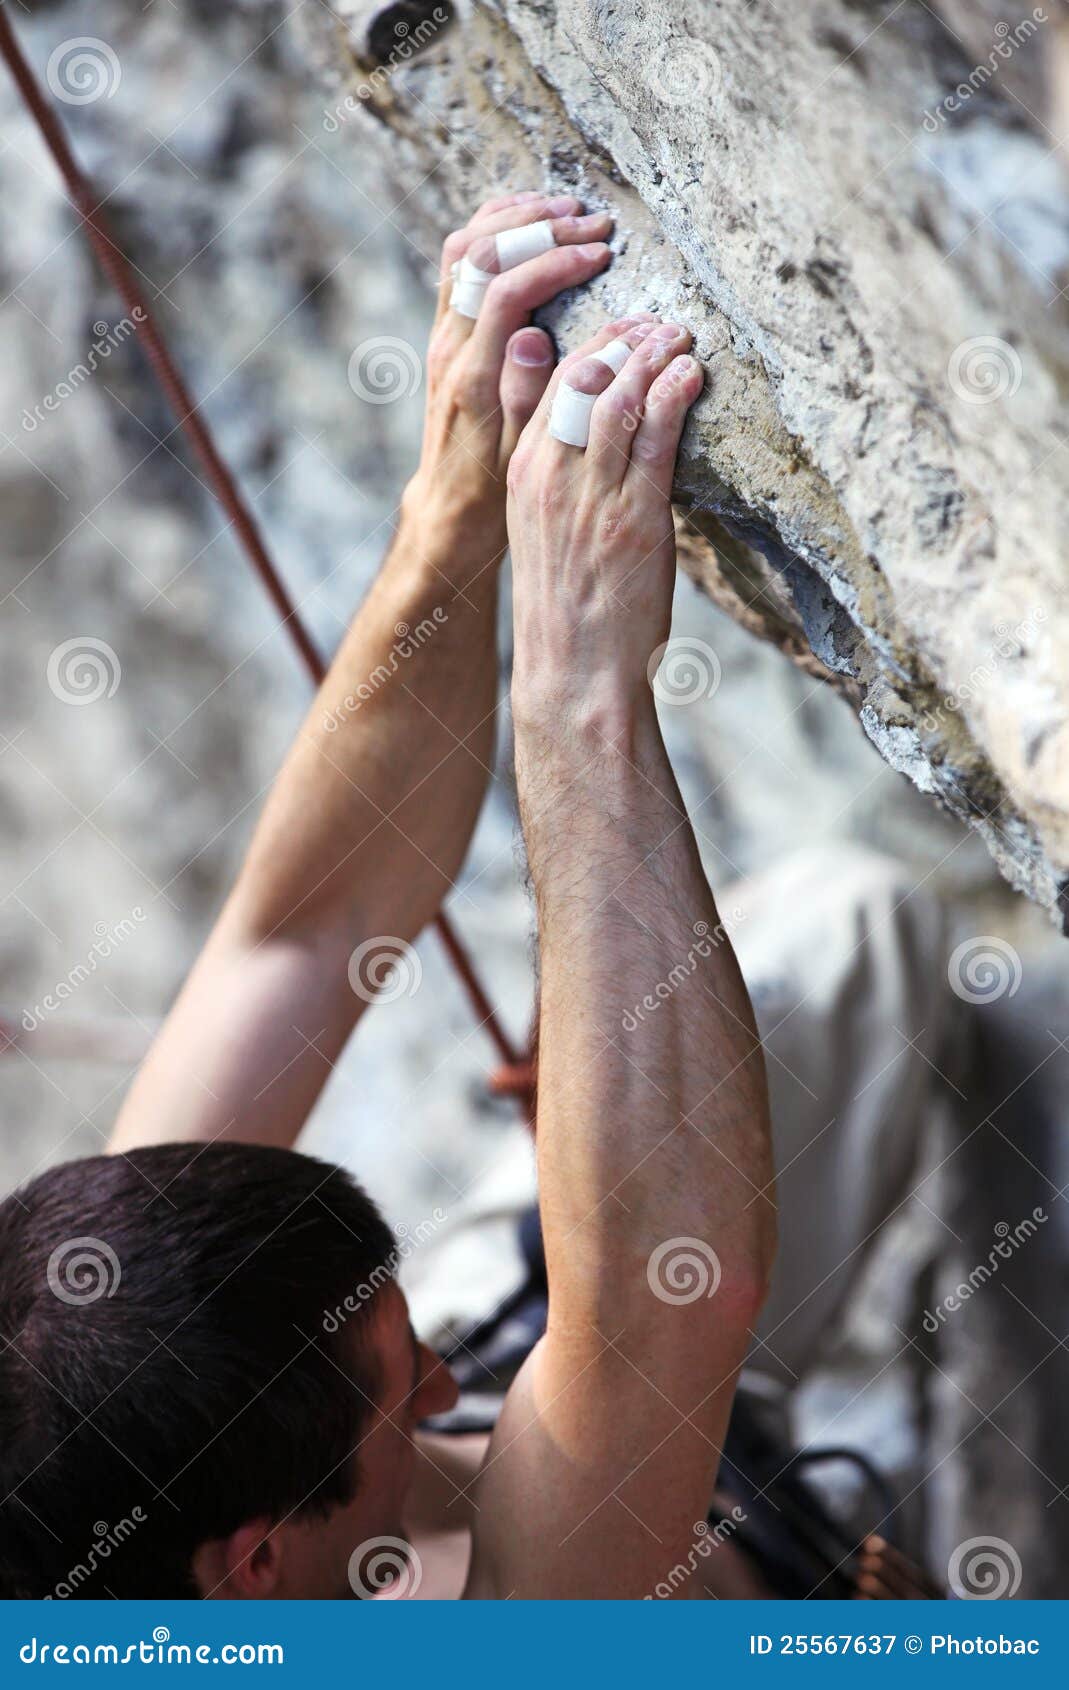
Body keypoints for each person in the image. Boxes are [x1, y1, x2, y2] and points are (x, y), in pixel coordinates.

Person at [0, 187, 776, 1600]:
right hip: (651, 1555)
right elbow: (674, 1299)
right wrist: (577, 696)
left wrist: (456, 503)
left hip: (588, 1432)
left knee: (839, 926)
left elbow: (309, 930)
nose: (432, 1386)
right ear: (254, 1567)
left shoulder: (92, 1382)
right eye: (394, 1388)